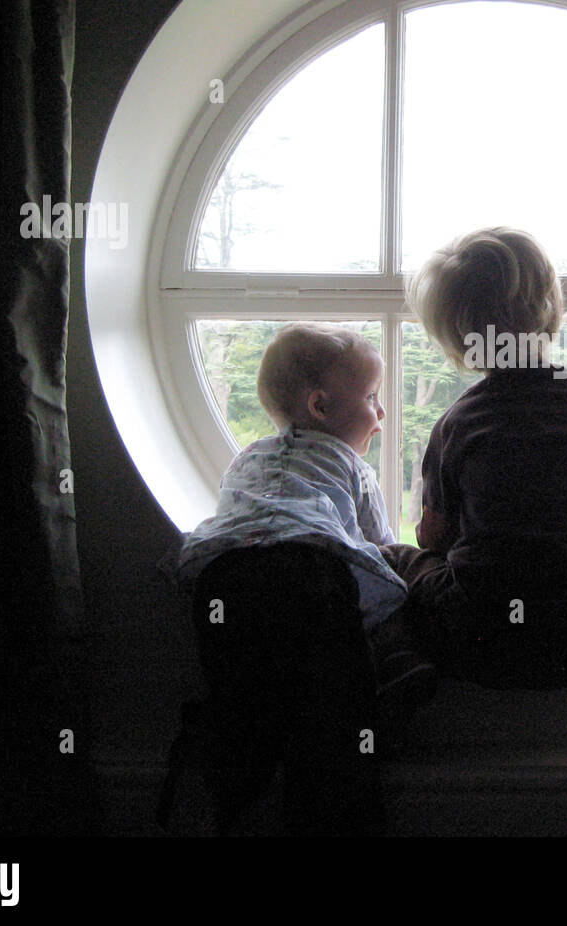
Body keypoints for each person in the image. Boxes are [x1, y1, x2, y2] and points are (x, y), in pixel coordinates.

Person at [171, 323, 433, 834]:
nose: (380, 416)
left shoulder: (248, 456)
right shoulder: (350, 465)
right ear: (320, 406)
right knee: (336, 712)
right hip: (307, 574)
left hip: (224, 577)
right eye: (372, 399)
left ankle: (230, 798)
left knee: (243, 705)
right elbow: (377, 544)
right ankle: (396, 670)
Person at [381, 227, 567, 690]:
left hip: (478, 643)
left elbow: (435, 538)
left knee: (395, 556)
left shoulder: (461, 423)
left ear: (456, 339)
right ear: (550, 308)